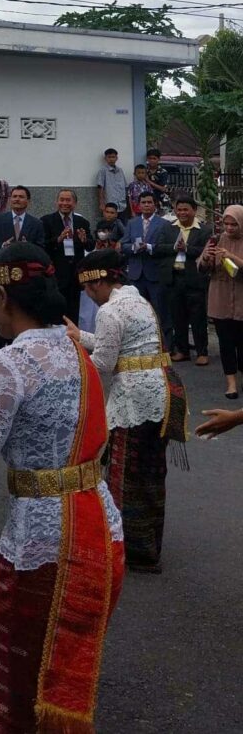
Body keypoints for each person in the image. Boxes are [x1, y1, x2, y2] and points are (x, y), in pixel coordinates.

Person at [0, 243, 124, 733]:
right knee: (65, 684)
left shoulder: (6, 364)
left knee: (24, 691)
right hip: (101, 530)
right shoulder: (76, 349)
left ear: (1, 296)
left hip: (43, 545)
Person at [69, 249, 187, 575]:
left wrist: (70, 363)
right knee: (151, 474)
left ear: (98, 282)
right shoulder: (138, 300)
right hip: (163, 393)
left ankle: (131, 552)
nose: (88, 295)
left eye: (87, 288)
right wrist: (80, 337)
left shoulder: (109, 311)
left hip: (135, 400)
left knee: (125, 477)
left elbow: (104, 363)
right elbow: (123, 345)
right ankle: (149, 547)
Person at [154, 195, 211, 364]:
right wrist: (174, 247)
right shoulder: (168, 228)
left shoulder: (204, 230)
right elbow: (158, 248)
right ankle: (182, 350)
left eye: (186, 209)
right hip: (174, 278)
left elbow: (205, 251)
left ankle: (202, 352)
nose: (182, 213)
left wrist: (187, 249)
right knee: (177, 317)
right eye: (179, 210)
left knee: (198, 317)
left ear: (194, 210)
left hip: (194, 279)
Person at [198, 206, 243, 398]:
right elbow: (201, 267)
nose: (230, 228)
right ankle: (231, 383)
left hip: (241, 300)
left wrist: (231, 256)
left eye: (234, 224)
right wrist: (207, 258)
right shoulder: (216, 239)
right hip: (220, 299)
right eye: (226, 223)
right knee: (225, 344)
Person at [41, 190, 94, 322]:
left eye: (68, 200)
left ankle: (73, 340)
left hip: (75, 274)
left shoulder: (82, 221)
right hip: (56, 273)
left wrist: (84, 240)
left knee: (74, 312)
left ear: (75, 203)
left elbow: (91, 245)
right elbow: (42, 245)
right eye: (62, 200)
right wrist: (58, 240)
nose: (65, 203)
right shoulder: (46, 221)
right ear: (57, 202)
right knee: (56, 313)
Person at [120, 193, 169, 317]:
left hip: (155, 275)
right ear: (139, 205)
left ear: (155, 204)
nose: (146, 205)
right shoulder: (132, 223)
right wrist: (134, 248)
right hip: (136, 275)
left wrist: (148, 247)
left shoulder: (164, 224)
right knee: (137, 312)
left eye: (149, 202)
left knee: (159, 312)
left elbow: (166, 247)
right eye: (143, 202)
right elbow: (124, 245)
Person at [0, 185, 45, 253]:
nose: (17, 199)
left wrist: (28, 247)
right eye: (14, 196)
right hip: (3, 261)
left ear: (28, 201)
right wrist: (2, 246)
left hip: (26, 261)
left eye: (21, 197)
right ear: (10, 200)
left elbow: (41, 248)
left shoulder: (36, 223)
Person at [97, 148, 128, 218]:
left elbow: (125, 186)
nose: (111, 159)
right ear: (105, 158)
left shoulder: (120, 170)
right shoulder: (103, 171)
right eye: (109, 157)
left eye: (113, 157)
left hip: (122, 204)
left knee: (122, 225)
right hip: (110, 204)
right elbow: (100, 187)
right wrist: (101, 203)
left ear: (116, 158)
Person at [146, 148, 172, 213]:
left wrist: (149, 181)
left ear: (158, 159)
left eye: (154, 158)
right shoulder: (144, 171)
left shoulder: (163, 172)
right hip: (149, 202)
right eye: (150, 158)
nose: (152, 160)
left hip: (162, 202)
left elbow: (163, 189)